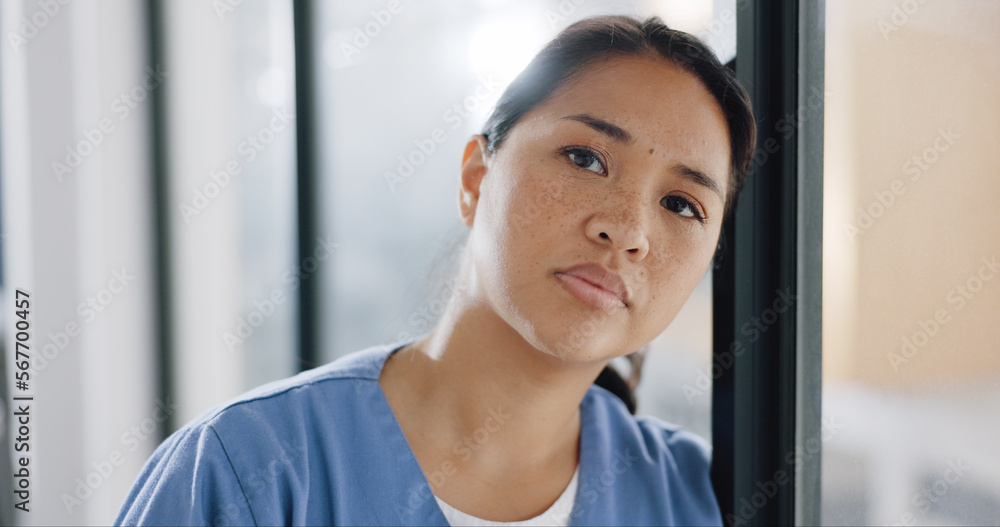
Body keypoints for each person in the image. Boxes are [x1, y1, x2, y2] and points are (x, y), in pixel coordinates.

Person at [116, 14, 755, 527]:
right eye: (585, 158)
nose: (628, 231)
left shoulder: (699, 498)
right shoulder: (249, 470)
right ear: (476, 178)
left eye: (682, 204)